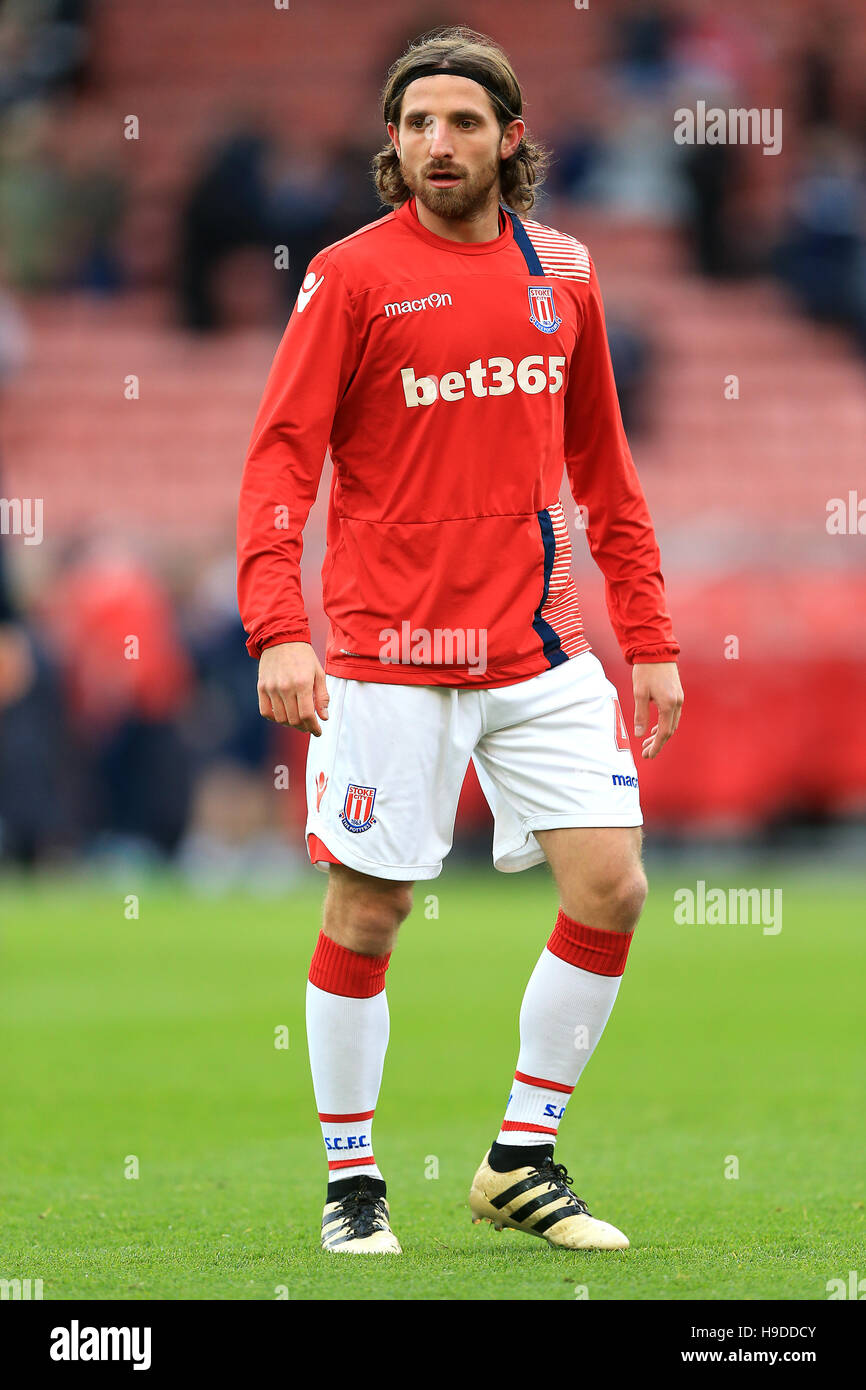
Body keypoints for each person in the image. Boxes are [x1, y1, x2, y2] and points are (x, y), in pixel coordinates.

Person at [237, 26, 683, 1255]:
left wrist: (648, 635)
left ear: (509, 138)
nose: (440, 143)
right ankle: (350, 1180)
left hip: (541, 651)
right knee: (368, 912)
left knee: (613, 886)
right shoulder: (349, 276)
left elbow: (604, 465)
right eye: (419, 124)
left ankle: (519, 1161)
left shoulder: (567, 272)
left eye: (464, 123)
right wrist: (282, 627)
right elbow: (280, 461)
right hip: (390, 655)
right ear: (392, 142)